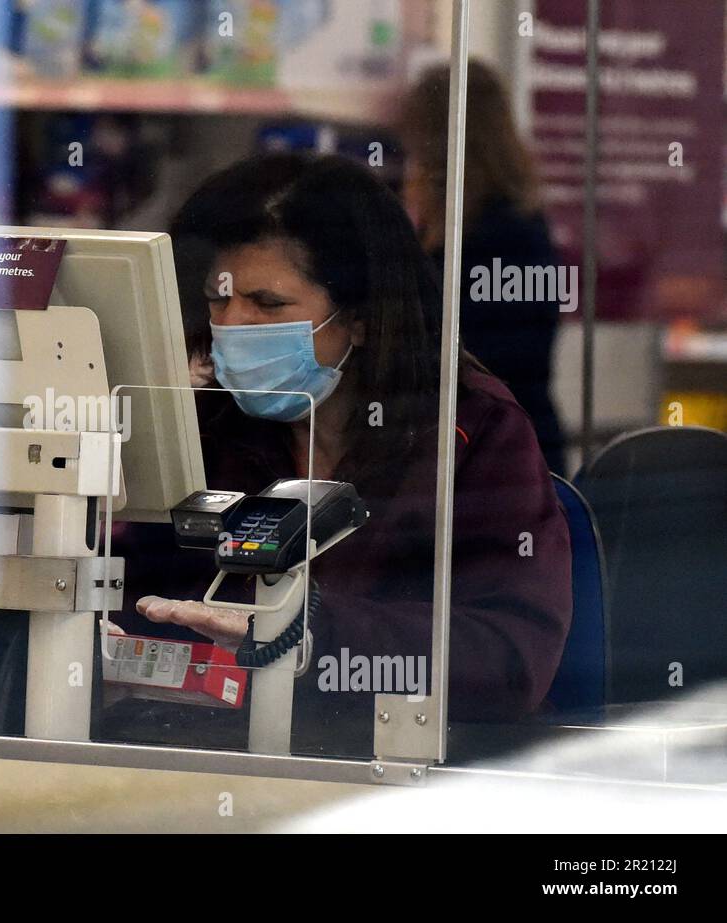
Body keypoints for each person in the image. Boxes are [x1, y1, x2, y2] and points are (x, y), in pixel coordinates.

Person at [108, 152, 571, 758]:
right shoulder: (206, 426)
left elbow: (509, 657)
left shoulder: (470, 432)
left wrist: (309, 633)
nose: (233, 326)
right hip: (203, 761)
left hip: (400, 776)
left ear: (361, 319)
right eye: (219, 301)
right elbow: (145, 593)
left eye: (267, 304)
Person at [397, 60, 567, 473]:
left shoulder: (495, 235)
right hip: (509, 442)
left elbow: (471, 355)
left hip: (497, 455)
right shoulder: (515, 222)